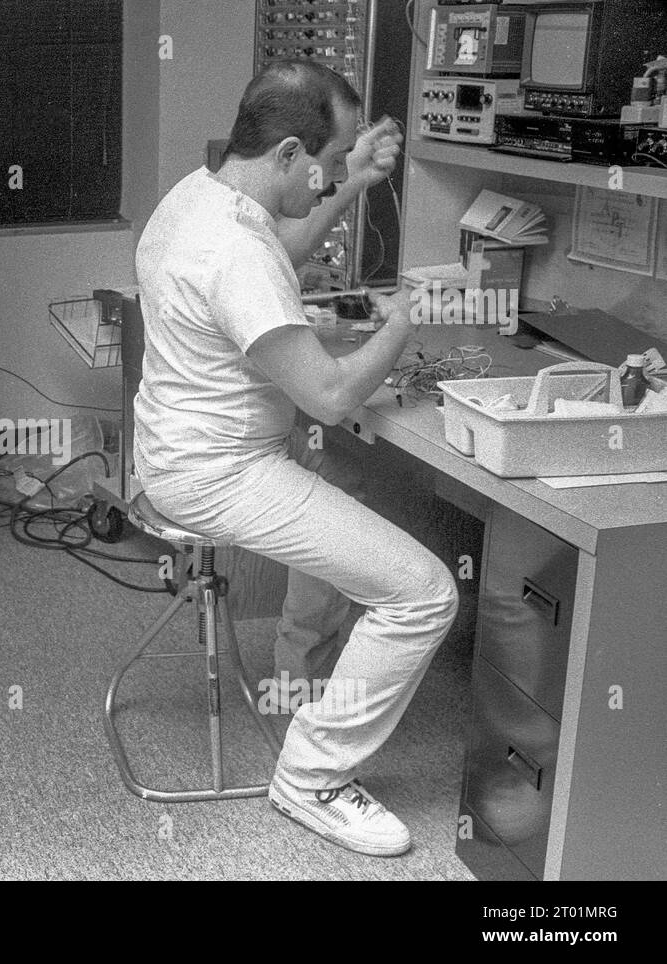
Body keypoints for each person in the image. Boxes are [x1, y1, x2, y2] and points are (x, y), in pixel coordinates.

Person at [132, 61, 459, 857]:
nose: (332, 174)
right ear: (284, 151)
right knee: (424, 593)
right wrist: (412, 312)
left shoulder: (200, 195)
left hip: (175, 451)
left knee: (344, 489)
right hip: (220, 475)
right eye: (328, 160)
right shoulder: (230, 250)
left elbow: (279, 247)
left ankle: (304, 681)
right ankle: (311, 777)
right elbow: (333, 398)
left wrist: (352, 184)